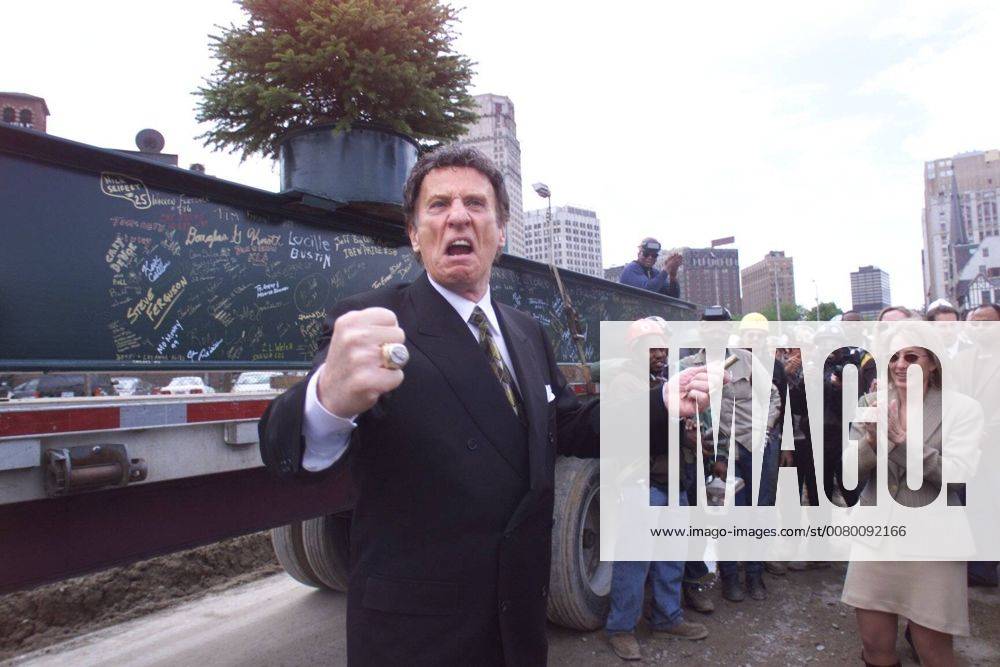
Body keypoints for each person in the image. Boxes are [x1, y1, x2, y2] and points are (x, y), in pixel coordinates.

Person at [257, 145, 715, 666]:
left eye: (476, 204)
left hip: (516, 625)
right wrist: (327, 400)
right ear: (413, 233)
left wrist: (657, 403)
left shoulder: (526, 332)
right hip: (418, 638)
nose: (457, 216)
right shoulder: (374, 320)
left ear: (499, 232)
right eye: (438, 205)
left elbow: (566, 426)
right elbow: (284, 448)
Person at [842, 336, 982, 666]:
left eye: (911, 357)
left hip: (932, 543)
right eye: (894, 357)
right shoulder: (871, 401)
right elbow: (848, 470)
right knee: (874, 645)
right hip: (875, 539)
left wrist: (902, 443)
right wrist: (873, 444)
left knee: (932, 650)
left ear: (933, 363)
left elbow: (959, 474)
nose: (900, 364)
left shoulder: (962, 408)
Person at [604, 318, 708, 661]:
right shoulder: (625, 384)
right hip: (643, 481)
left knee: (670, 556)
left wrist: (692, 432)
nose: (659, 353)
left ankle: (667, 616)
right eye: (652, 348)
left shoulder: (662, 383)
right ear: (634, 350)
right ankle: (621, 627)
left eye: (663, 347)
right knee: (633, 559)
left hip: (672, 480)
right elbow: (637, 426)